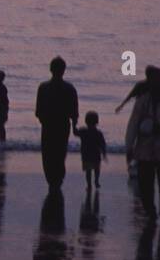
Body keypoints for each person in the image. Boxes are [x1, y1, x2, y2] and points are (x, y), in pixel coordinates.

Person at [124, 66, 160, 222]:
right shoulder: (143, 101)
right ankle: (150, 211)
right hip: (144, 148)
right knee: (145, 183)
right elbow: (133, 124)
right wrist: (129, 147)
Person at [35, 56, 79, 190]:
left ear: (50, 69)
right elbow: (74, 111)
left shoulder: (43, 87)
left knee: (48, 154)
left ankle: (51, 180)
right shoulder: (70, 88)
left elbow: (38, 111)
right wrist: (75, 126)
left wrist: (43, 120)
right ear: (64, 70)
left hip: (48, 125)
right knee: (60, 154)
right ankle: (58, 180)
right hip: (63, 125)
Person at [73, 111, 108, 191]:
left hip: (86, 154)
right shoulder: (98, 133)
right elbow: (102, 144)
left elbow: (75, 133)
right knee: (96, 169)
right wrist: (104, 154)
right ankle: (96, 181)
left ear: (86, 121)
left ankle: (89, 185)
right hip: (96, 154)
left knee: (88, 171)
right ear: (97, 122)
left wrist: (73, 123)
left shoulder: (83, 131)